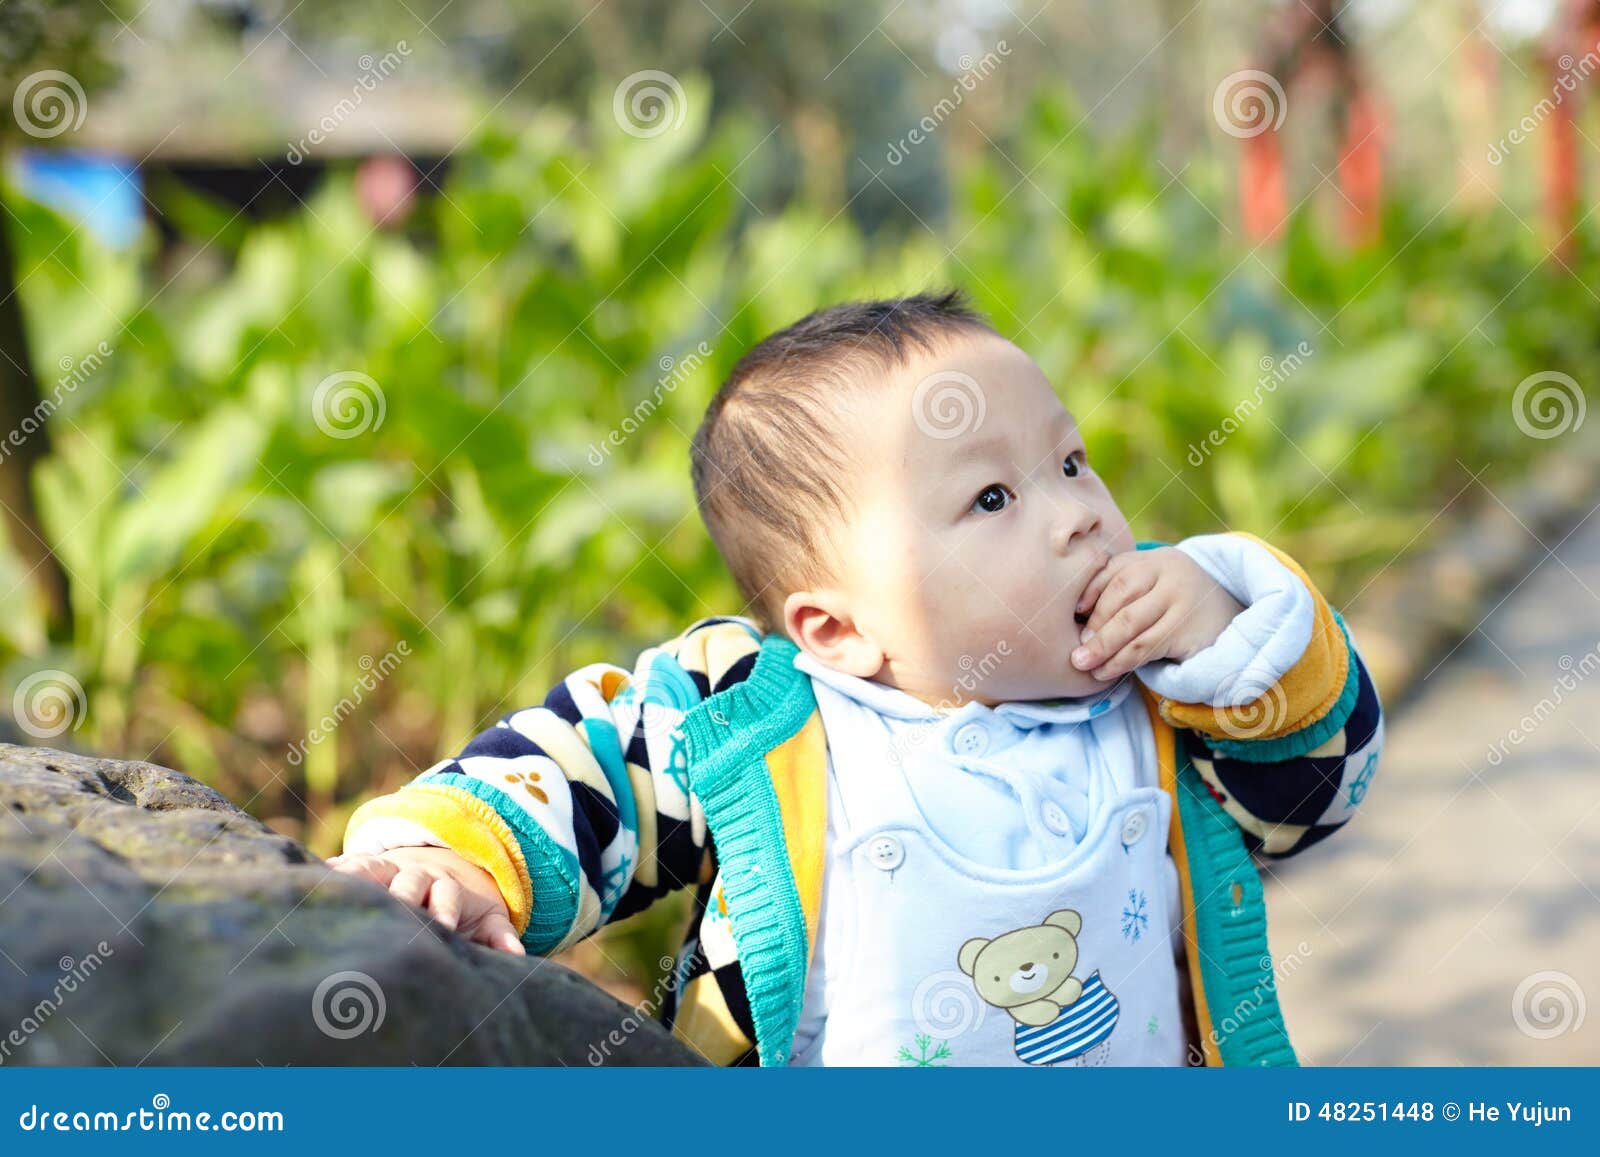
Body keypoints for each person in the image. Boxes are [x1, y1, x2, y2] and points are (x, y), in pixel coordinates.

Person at [330, 288, 1383, 1067]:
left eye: (1070, 462)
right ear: (836, 626)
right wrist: (458, 856)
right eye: (991, 499)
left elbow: (1317, 794)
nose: (1080, 515)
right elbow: (586, 765)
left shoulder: (1162, 694)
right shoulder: (757, 712)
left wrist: (1230, 634)